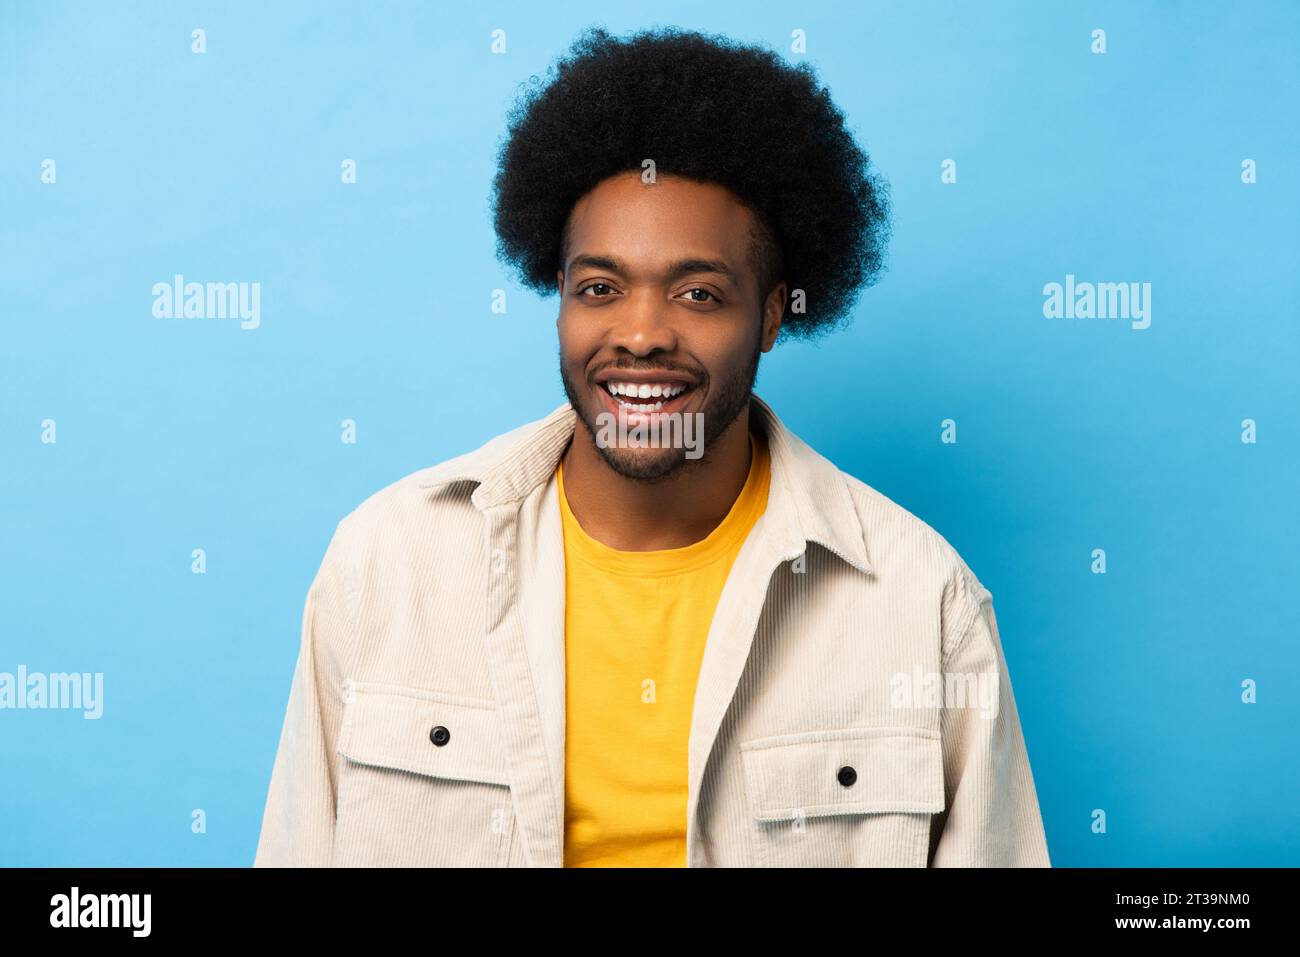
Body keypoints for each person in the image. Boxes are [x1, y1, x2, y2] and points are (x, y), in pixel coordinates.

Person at [254, 25, 1050, 868]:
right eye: (599, 288)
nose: (639, 334)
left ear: (774, 314)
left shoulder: (924, 604)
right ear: (557, 301)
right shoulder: (386, 562)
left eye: (698, 293)